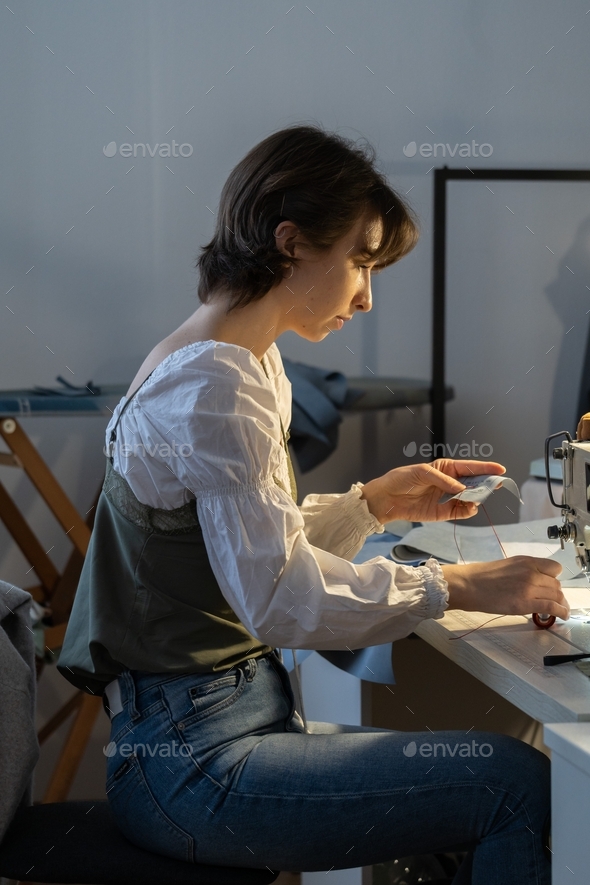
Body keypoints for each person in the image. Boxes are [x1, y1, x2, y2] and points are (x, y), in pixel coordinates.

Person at [58, 124, 575, 885]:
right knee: (510, 783)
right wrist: (460, 585)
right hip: (195, 767)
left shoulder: (236, 360)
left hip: (212, 730)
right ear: (291, 242)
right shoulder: (217, 384)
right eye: (361, 263)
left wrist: (371, 503)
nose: (367, 296)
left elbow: (247, 545)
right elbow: (279, 599)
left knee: (491, 774)